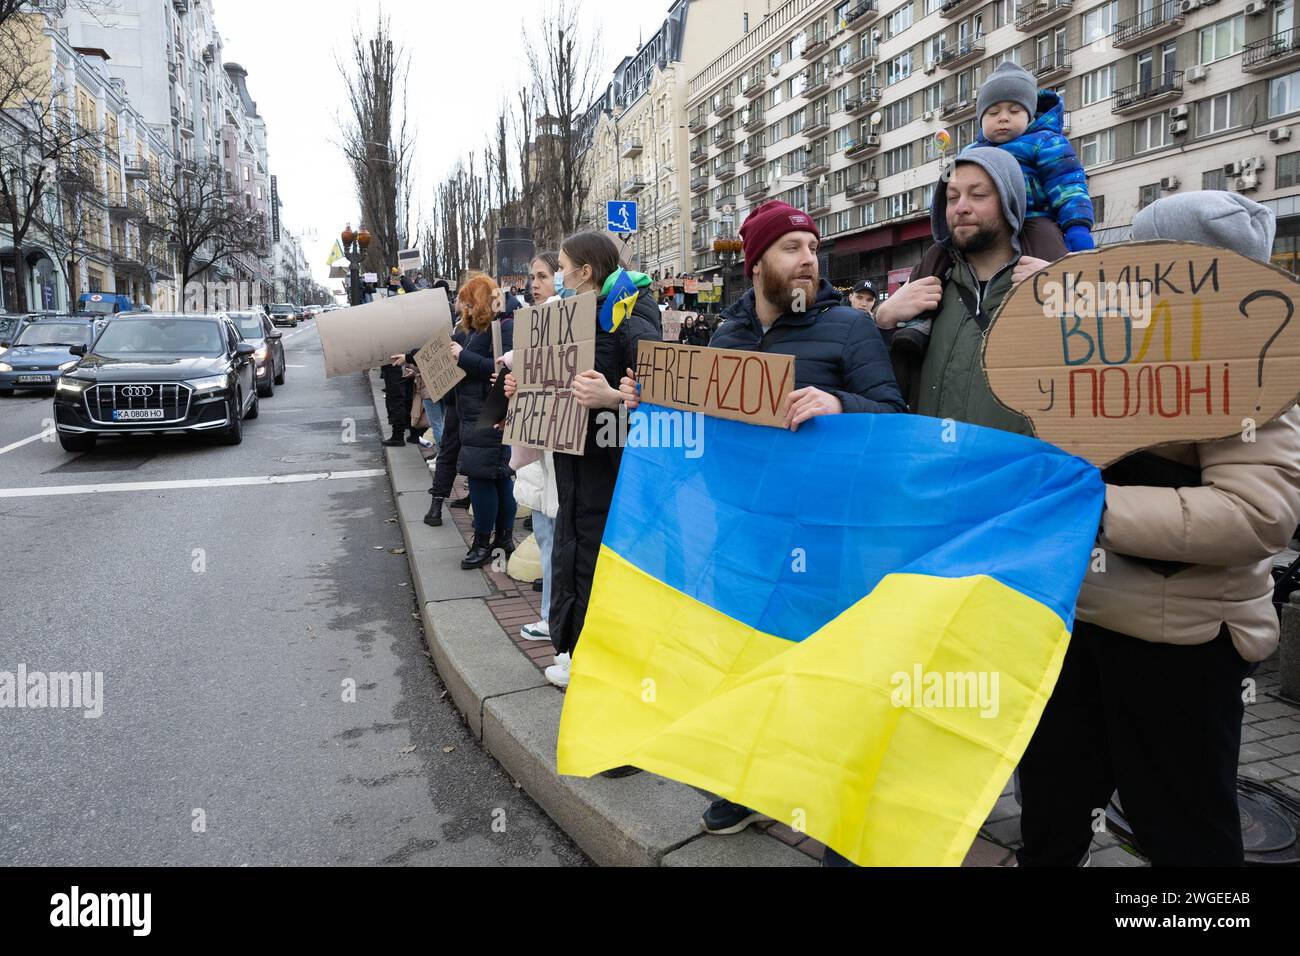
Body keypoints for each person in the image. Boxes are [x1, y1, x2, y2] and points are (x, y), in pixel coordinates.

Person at [1016, 192, 1300, 867]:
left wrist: (1097, 511)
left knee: (1185, 834)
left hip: (1181, 651)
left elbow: (1258, 515)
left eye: (1150, 255)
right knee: (1051, 809)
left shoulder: (1249, 371)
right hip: (1080, 627)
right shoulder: (1119, 350)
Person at [621, 199, 905, 848]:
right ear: (756, 265)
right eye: (791, 248)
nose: (808, 259)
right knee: (748, 666)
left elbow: (893, 417)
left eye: (812, 248)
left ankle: (842, 818)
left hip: (827, 538)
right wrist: (652, 405)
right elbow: (708, 434)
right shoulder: (729, 335)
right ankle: (748, 788)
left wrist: (838, 403)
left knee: (831, 679)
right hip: (744, 532)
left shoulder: (848, 331)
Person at [505, 232, 663, 692]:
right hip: (576, 465)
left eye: (561, 267)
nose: (557, 275)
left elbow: (661, 401)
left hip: (612, 470)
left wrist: (611, 397)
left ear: (585, 272)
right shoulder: (571, 319)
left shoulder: (632, 318)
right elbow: (556, 384)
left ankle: (605, 669)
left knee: (601, 564)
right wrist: (522, 390)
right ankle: (577, 655)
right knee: (574, 557)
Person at [874, 147, 1063, 417]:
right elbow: (884, 391)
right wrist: (884, 321)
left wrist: (1067, 298)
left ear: (1010, 202)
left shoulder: (1051, 283)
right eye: (952, 198)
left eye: (978, 195)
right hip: (936, 456)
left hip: (1020, 459)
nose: (961, 207)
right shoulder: (930, 288)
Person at [968, 61, 1094, 254]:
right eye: (993, 112)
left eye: (1014, 111)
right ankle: (923, 280)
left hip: (1032, 219)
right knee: (942, 251)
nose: (1003, 117)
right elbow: (951, 183)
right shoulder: (971, 152)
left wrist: (1077, 226)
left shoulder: (1045, 142)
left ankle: (1058, 277)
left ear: (1030, 115)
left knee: (1047, 239)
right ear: (981, 119)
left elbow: (1068, 185)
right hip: (984, 224)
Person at [448, 273, 517, 569]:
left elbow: (500, 368)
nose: (466, 309)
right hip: (476, 413)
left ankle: (484, 542)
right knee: (496, 477)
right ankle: (501, 540)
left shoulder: (502, 327)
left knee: (485, 479)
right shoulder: (476, 330)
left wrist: (463, 357)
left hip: (488, 414)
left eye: (469, 303)